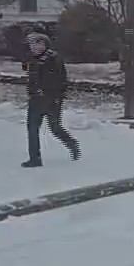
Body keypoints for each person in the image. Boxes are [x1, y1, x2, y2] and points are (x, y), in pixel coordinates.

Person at [22, 31, 80, 168]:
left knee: (54, 128)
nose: (34, 47)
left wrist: (56, 96)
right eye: (31, 44)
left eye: (37, 44)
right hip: (35, 99)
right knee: (32, 129)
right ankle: (35, 159)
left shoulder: (53, 59)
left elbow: (61, 81)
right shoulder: (32, 60)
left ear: (45, 44)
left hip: (51, 99)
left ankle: (72, 144)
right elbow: (29, 74)